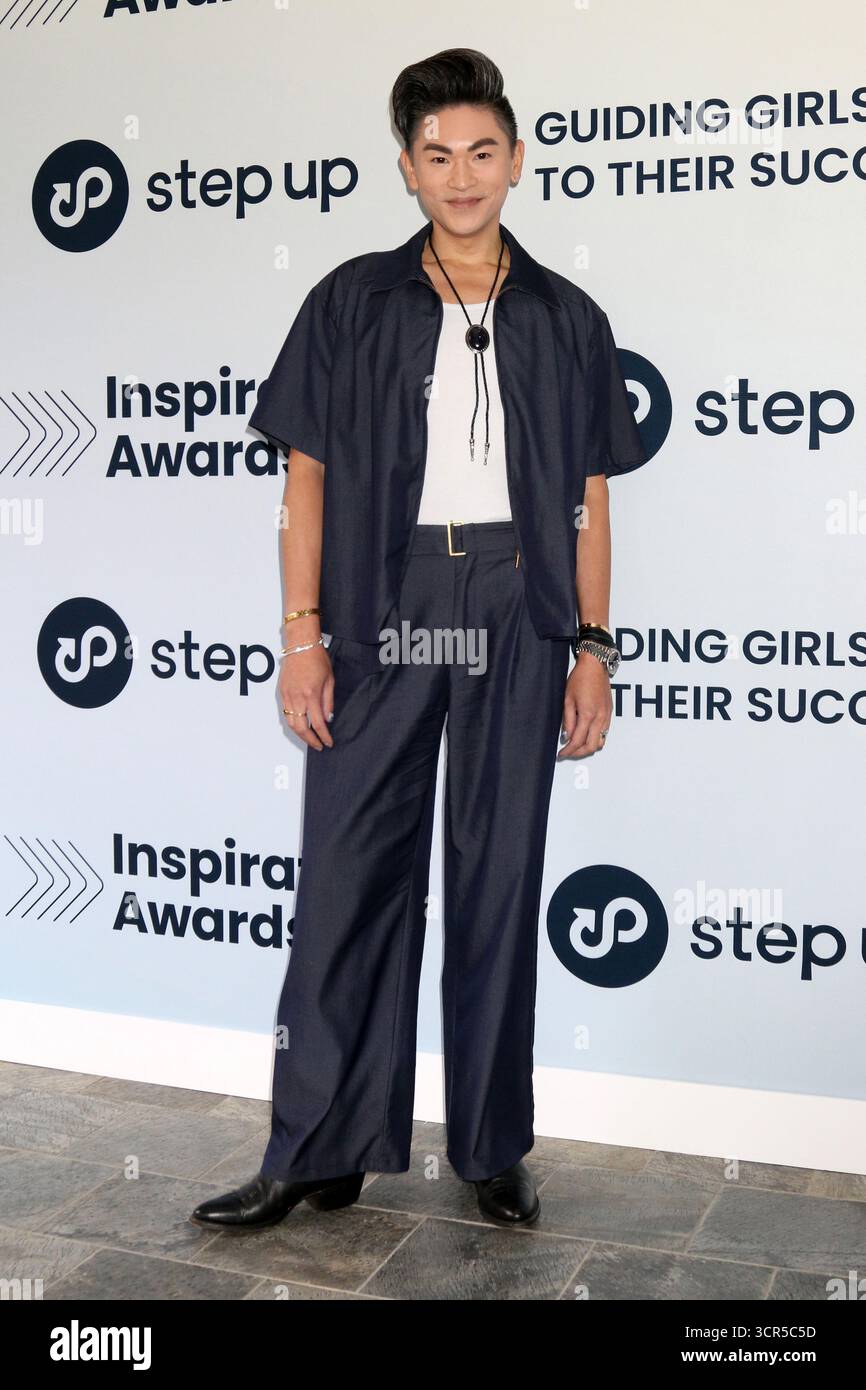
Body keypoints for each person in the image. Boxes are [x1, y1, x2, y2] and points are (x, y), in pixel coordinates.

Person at [190, 47, 646, 1233]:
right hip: (382, 599)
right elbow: (307, 473)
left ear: (516, 158)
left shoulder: (565, 315)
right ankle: (317, 1145)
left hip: (516, 598)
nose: (460, 175)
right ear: (405, 169)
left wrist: (590, 645)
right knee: (345, 876)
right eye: (435, 155)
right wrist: (301, 634)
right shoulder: (351, 299)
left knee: (496, 876)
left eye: (480, 151)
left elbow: (590, 497)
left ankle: (491, 1147)